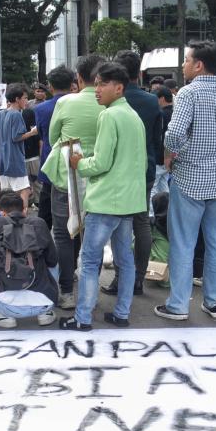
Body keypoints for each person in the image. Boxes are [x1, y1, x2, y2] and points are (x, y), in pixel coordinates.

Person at [154, 41, 216, 319]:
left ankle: (178, 305)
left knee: (183, 242)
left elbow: (172, 136)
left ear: (199, 65)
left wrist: (175, 154)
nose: (183, 65)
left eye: (186, 60)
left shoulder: (188, 94)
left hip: (189, 179)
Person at [64, 62, 148, 330]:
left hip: (106, 200)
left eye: (102, 84)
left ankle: (82, 318)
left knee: (89, 262)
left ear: (119, 87)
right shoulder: (133, 116)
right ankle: (121, 313)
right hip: (129, 201)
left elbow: (101, 163)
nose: (97, 89)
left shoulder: (109, 116)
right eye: (96, 83)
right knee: (125, 261)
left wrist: (80, 163)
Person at [42, 54, 107, 310]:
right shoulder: (110, 104)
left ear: (78, 79)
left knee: (63, 233)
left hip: (67, 173)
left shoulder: (66, 102)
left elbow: (53, 136)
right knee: (96, 233)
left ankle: (67, 291)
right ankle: (90, 290)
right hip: (100, 173)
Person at [102, 50, 164, 296]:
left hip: (115, 170)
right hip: (144, 169)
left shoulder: (110, 101)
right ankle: (138, 277)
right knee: (141, 222)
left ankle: (120, 277)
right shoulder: (151, 101)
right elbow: (158, 141)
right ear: (139, 72)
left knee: (118, 225)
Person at [0, 191, 58, 327]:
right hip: (44, 303)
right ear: (25, 210)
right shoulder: (39, 223)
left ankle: (3, 315)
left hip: (9, 307)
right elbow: (53, 260)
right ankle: (46, 313)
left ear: (2, 213)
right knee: (53, 263)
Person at [35, 66, 77, 228]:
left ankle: (41, 247)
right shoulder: (79, 105)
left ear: (50, 86)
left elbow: (40, 133)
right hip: (74, 160)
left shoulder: (41, 108)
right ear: (72, 84)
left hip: (50, 161)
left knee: (45, 211)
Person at [0, 83, 38, 207]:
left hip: (3, 159)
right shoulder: (16, 114)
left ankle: (5, 216)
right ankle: (21, 216)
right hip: (15, 159)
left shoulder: (0, 114)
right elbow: (17, 137)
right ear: (17, 99)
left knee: (6, 194)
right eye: (25, 98)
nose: (26, 101)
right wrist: (32, 132)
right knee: (24, 190)